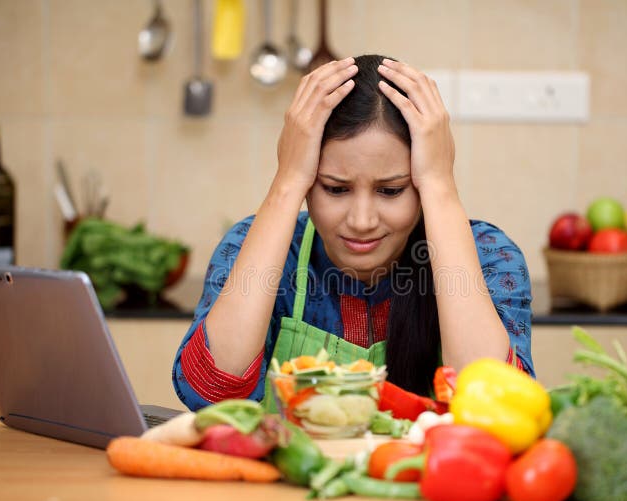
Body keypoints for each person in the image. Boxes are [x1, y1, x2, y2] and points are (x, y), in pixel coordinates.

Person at [173, 55, 532, 411]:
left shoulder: (488, 255)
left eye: (391, 191)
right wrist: (286, 181)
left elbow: (496, 405)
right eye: (335, 188)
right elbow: (211, 392)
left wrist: (440, 185)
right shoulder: (261, 247)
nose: (362, 221)